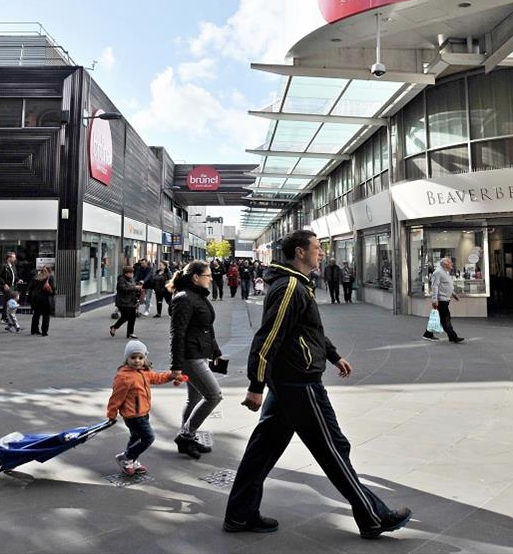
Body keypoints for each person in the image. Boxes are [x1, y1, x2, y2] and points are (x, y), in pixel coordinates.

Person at [224, 230, 411, 539]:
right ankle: (374, 516)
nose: (321, 252)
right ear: (300, 252)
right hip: (299, 384)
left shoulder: (298, 286)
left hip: (289, 382)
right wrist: (255, 384)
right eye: (316, 247)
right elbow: (268, 336)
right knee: (334, 449)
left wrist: (334, 355)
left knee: (262, 450)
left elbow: (308, 330)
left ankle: (240, 514)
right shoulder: (289, 288)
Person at [167, 260, 223, 459]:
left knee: (195, 398)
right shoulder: (184, 299)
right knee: (214, 396)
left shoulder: (198, 295)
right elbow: (177, 333)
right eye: (207, 275)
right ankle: (186, 435)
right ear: (196, 277)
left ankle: (187, 438)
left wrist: (215, 350)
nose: (211, 278)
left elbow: (207, 327)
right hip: (191, 356)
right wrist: (176, 366)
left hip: (201, 352)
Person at [106, 338, 183, 476]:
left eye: (140, 357)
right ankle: (127, 457)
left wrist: (171, 376)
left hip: (143, 413)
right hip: (133, 415)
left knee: (136, 438)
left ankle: (131, 460)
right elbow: (116, 397)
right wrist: (111, 414)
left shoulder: (144, 372)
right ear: (127, 358)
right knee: (148, 438)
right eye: (133, 357)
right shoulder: (124, 377)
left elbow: (157, 378)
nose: (137, 361)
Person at [424, 257, 464, 343]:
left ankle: (428, 333)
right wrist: (434, 300)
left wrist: (453, 294)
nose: (452, 264)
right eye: (450, 262)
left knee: (441, 317)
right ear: (445, 264)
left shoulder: (445, 272)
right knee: (446, 318)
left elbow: (446, 286)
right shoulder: (438, 272)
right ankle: (453, 337)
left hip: (445, 299)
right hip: (441, 300)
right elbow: (435, 286)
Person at [110, 265, 140, 339]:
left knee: (133, 317)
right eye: (131, 273)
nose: (132, 274)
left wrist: (137, 289)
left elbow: (132, 288)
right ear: (126, 273)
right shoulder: (121, 280)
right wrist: (135, 288)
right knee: (125, 316)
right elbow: (123, 289)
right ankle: (114, 327)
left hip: (131, 301)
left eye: (133, 273)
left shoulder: (131, 279)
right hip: (123, 301)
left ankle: (130, 332)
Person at [29, 266, 55, 336]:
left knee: (36, 315)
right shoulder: (50, 277)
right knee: (46, 316)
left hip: (35, 299)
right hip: (45, 299)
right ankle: (44, 332)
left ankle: (34, 330)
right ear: (50, 271)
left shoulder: (36, 277)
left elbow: (30, 288)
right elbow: (52, 290)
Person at [0, 252, 19, 324]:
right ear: (9, 258)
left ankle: (7, 317)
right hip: (7, 286)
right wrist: (4, 284)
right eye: (14, 257)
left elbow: (14, 276)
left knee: (9, 301)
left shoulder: (13, 266)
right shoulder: (3, 266)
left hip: (12, 286)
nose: (15, 259)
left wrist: (18, 280)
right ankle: (4, 318)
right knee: (8, 301)